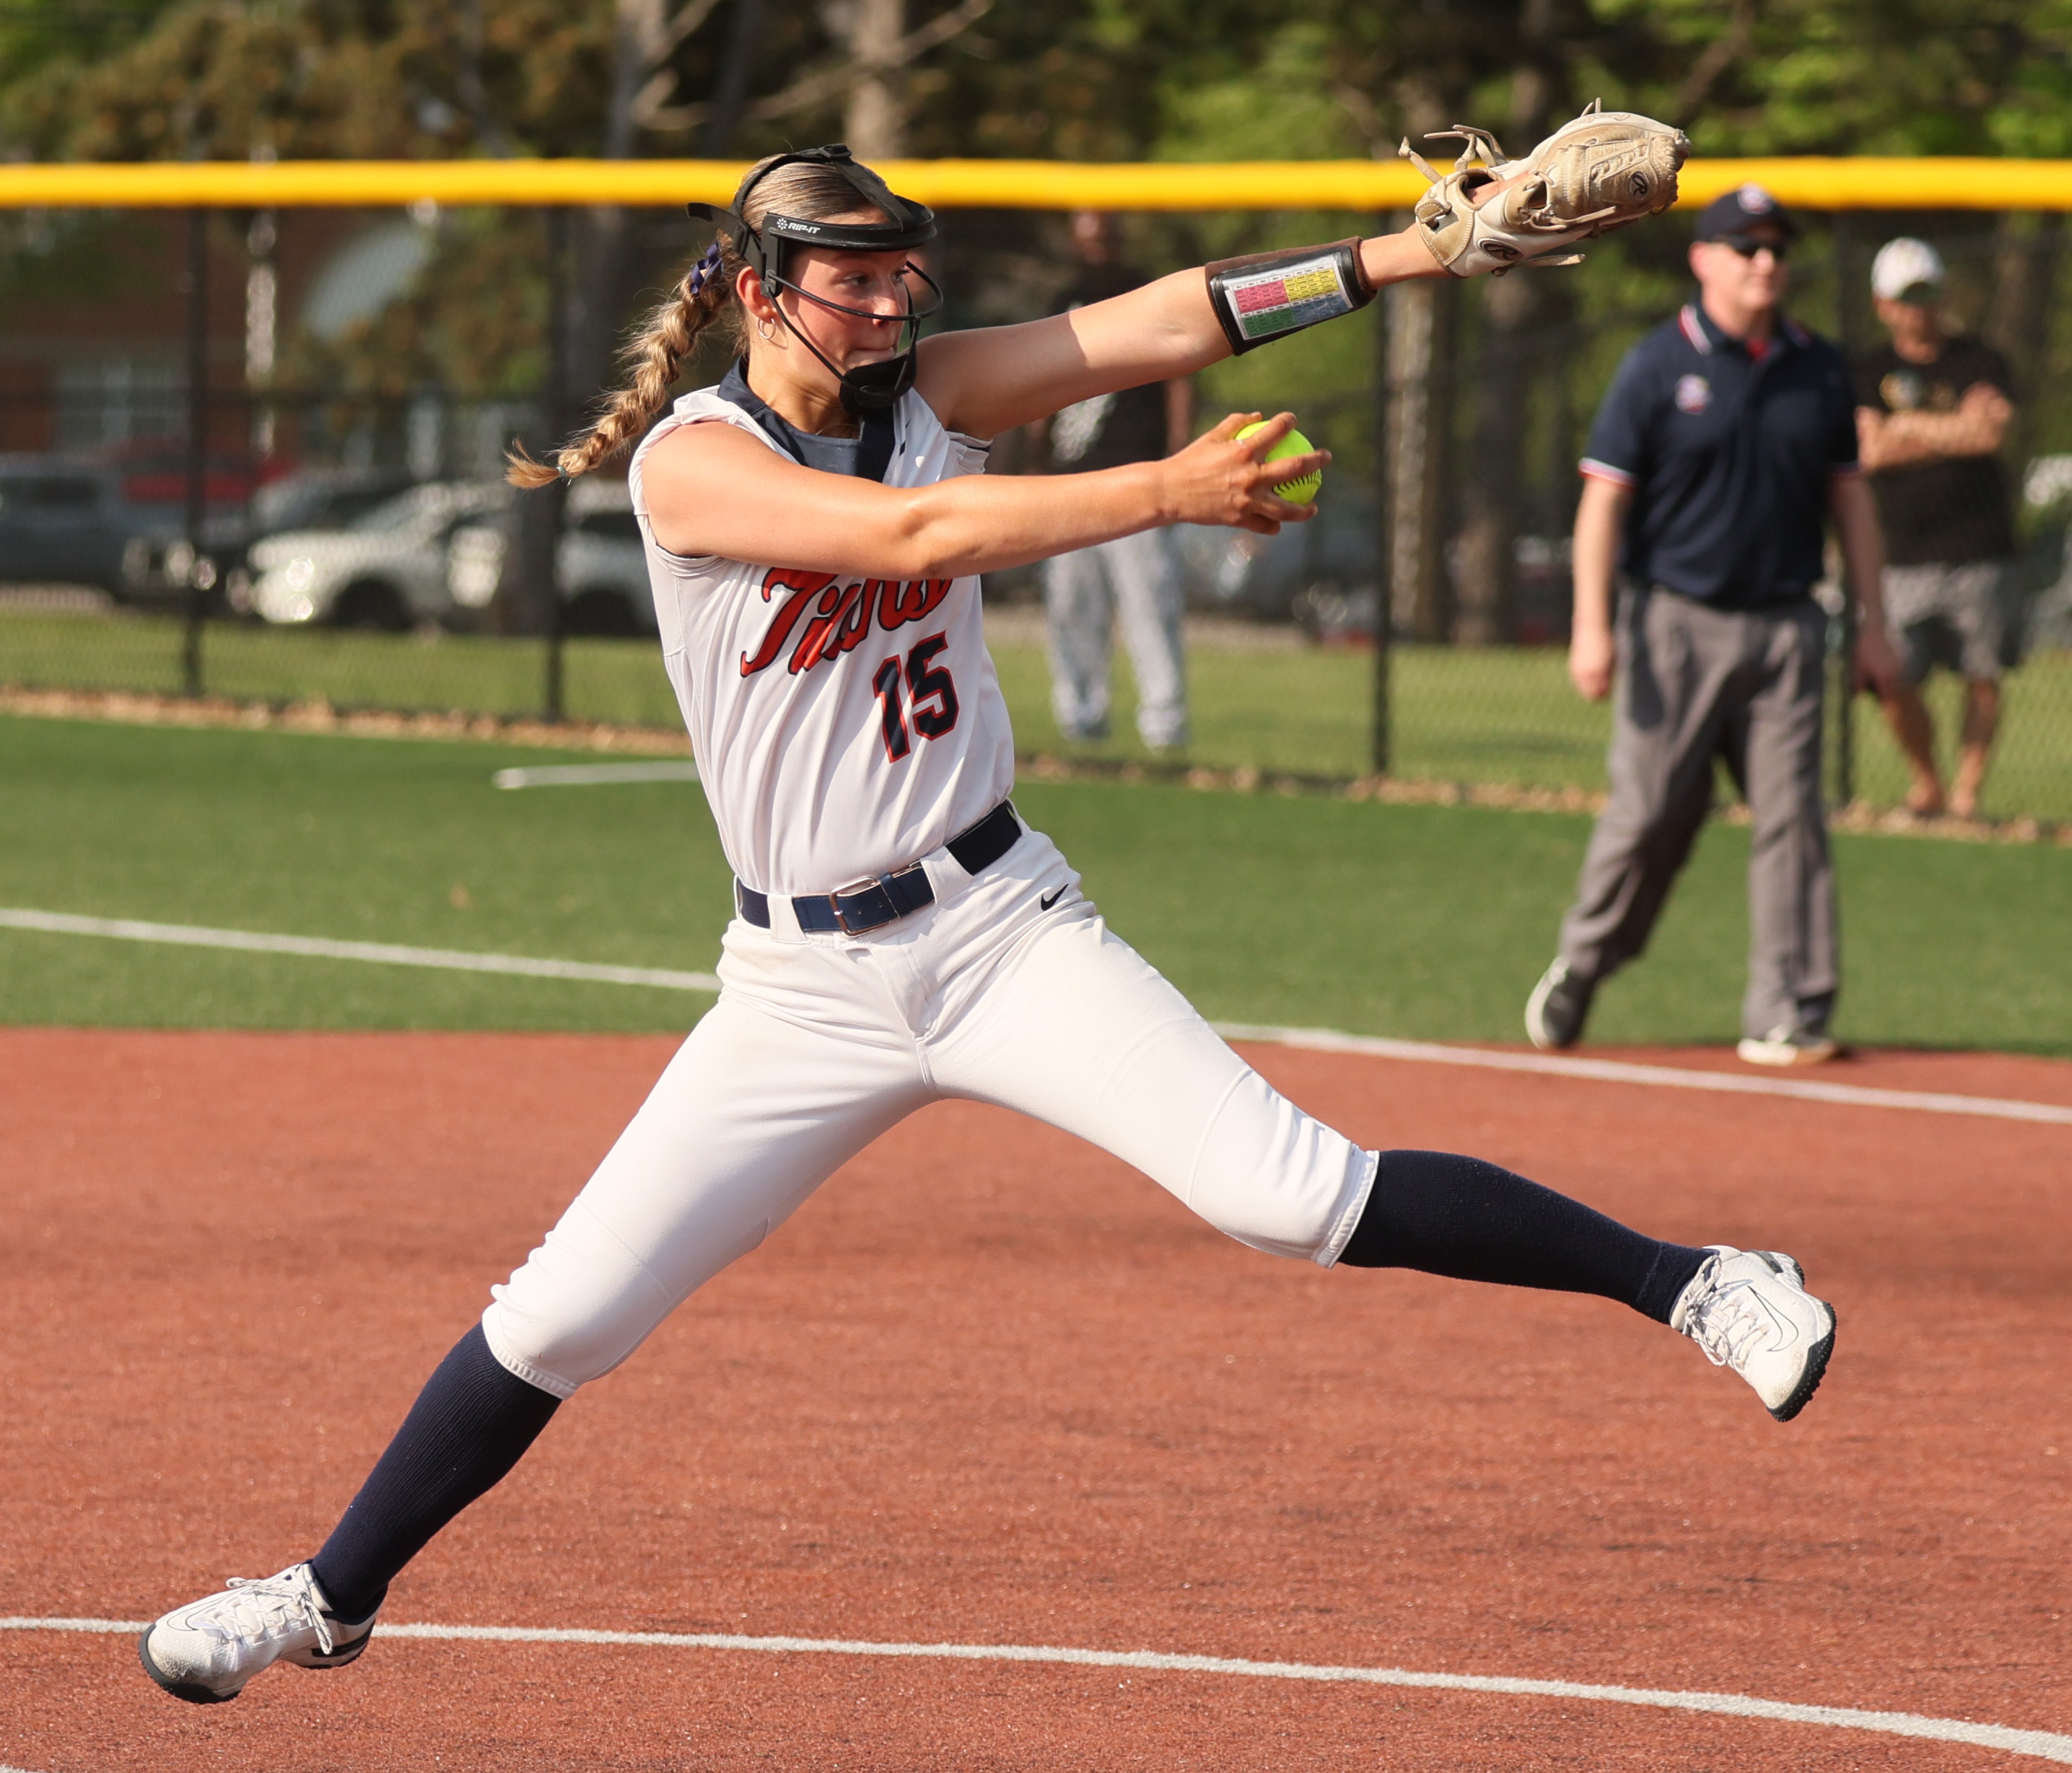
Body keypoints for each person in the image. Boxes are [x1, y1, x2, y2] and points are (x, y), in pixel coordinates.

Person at [139, 135, 1835, 1710]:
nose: (890, 301)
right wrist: (1160, 495)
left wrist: (1415, 253)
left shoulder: (931, 385)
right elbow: (913, 532)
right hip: (802, 986)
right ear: (755, 284)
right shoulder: (692, 468)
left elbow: (1154, 321)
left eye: (903, 274)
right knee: (567, 1314)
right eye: (850, 274)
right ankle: (328, 1591)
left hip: (1002, 931)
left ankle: (1697, 1282)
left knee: (1288, 1195)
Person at [1526, 184, 1902, 1068]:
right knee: (1653, 816)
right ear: (1703, 260)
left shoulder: (1819, 367)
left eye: (1776, 248)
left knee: (1792, 819)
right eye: (1745, 247)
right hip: (1674, 624)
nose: (1765, 262)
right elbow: (1602, 506)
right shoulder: (1657, 365)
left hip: (1785, 629)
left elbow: (1852, 506)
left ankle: (1790, 1009)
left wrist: (1874, 625)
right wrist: (1592, 625)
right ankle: (1584, 963)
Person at [1854, 237, 2021, 819]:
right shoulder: (1870, 369)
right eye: (1905, 298)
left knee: (1981, 674)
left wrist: (1907, 429)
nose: (1917, 308)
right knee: (1891, 679)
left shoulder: (1981, 359)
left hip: (1979, 547)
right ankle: (1926, 782)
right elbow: (1869, 451)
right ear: (1882, 303)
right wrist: (1953, 429)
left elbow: (1990, 434)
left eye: (1926, 294)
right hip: (1900, 555)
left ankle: (1966, 796)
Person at [1041, 210, 1196, 750]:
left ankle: (1164, 721)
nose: (1097, 249)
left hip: (1138, 471)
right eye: (1088, 240)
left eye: (1106, 238)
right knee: (1070, 604)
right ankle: (1080, 714)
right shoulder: (1064, 300)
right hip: (1069, 480)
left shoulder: (1143, 294)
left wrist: (1176, 455)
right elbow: (1038, 387)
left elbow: (1179, 375)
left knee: (1148, 602)